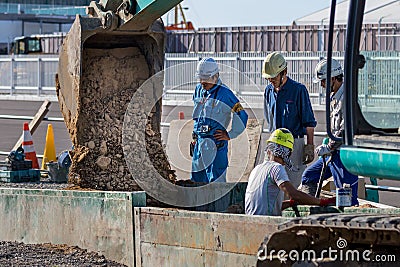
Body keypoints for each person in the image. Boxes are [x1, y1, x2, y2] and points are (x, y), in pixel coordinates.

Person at [300, 58, 359, 206]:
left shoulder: (347, 98)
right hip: (334, 152)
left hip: (345, 154)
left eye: (323, 81)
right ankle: (311, 208)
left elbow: (346, 129)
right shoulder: (335, 97)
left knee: (346, 194)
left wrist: (329, 146)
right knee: (309, 175)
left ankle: (348, 220)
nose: (321, 85)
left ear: (333, 78)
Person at [245, 128, 335, 216]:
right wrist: (323, 202)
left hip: (251, 218)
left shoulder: (257, 169)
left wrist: (290, 203)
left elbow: (266, 206)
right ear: (288, 153)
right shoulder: (276, 168)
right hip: (266, 222)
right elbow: (294, 195)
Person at [262, 52, 317, 188]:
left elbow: (309, 122)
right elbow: (270, 121)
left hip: (294, 144)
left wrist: (309, 146)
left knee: (293, 185)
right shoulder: (268, 91)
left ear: (284, 72)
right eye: (269, 78)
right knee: (271, 184)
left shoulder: (298, 90)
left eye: (274, 77)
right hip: (275, 144)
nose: (271, 80)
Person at [191, 57, 248, 183]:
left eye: (205, 79)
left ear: (216, 76)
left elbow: (242, 114)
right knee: (196, 182)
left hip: (216, 145)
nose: (202, 82)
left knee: (216, 184)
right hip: (199, 144)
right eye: (200, 78)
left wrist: (230, 134)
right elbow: (197, 116)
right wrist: (195, 136)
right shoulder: (199, 90)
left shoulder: (225, 94)